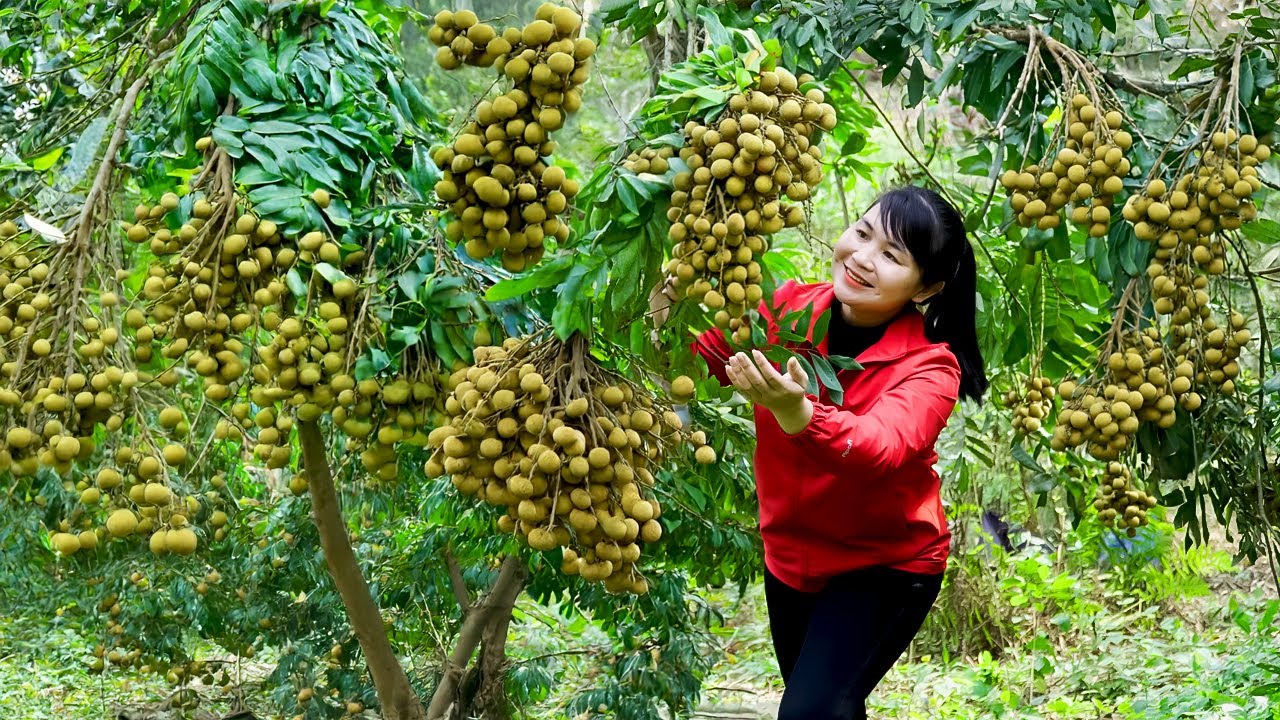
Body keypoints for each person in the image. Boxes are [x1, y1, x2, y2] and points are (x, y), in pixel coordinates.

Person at [650, 185, 988, 719]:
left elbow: (880, 448)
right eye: (862, 233)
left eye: (891, 255)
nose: (862, 258)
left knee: (809, 713)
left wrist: (798, 413)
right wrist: (667, 302)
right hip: (791, 558)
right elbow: (714, 351)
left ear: (926, 288)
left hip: (886, 565)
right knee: (828, 710)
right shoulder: (788, 308)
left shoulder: (931, 367)